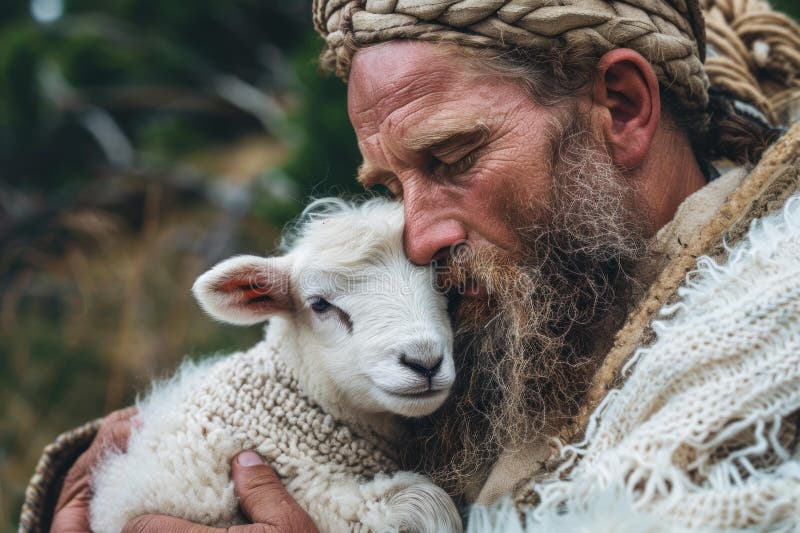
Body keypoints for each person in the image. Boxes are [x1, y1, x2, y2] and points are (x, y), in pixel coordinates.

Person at [21, 0, 800, 531]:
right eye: (393, 188)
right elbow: (315, 404)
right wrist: (108, 476)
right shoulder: (529, 309)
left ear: (622, 108)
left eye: (456, 155)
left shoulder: (769, 336)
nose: (419, 236)